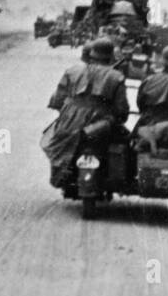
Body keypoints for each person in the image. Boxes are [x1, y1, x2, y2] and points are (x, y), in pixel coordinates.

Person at [41, 38, 130, 189]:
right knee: (125, 142)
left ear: (91, 54)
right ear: (110, 56)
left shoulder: (72, 71)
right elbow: (121, 109)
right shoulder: (116, 76)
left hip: (70, 122)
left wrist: (67, 113)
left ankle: (64, 175)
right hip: (100, 124)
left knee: (55, 140)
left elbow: (57, 100)